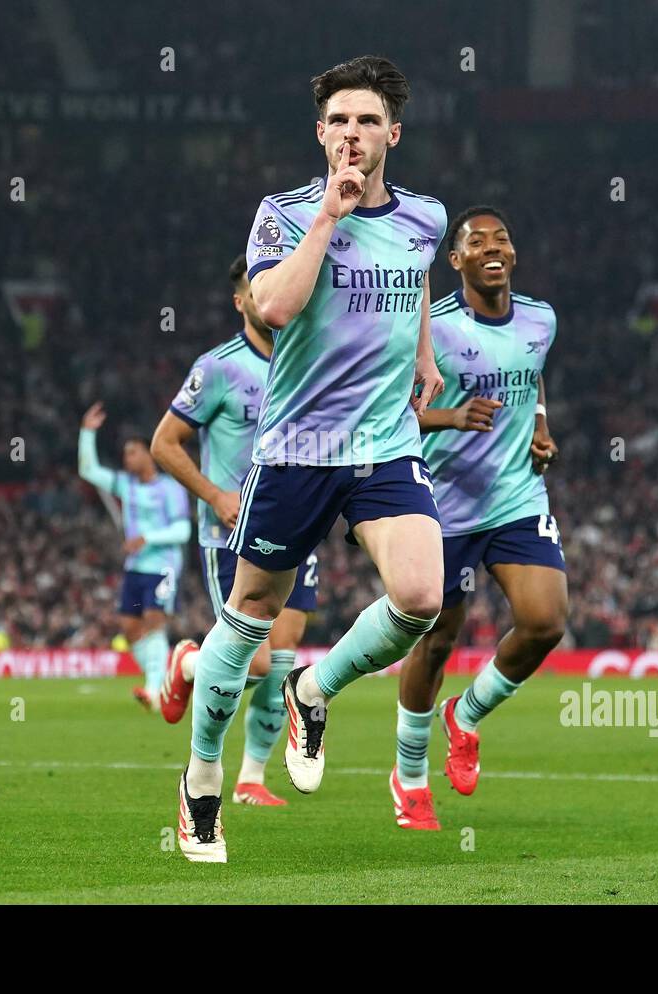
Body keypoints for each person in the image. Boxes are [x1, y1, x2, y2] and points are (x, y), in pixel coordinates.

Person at [173, 55, 448, 862]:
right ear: (320, 134)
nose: (353, 135)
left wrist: (425, 352)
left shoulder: (425, 215)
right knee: (250, 617)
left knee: (422, 595)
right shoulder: (283, 214)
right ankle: (198, 783)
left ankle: (313, 687)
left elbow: (416, 280)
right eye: (339, 122)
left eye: (368, 121)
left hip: (383, 444)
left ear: (392, 132)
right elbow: (275, 306)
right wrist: (330, 218)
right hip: (297, 448)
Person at [393, 206, 567, 829]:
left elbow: (533, 380)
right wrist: (451, 417)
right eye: (476, 241)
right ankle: (409, 777)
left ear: (513, 253)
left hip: (517, 498)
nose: (493, 246)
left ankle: (465, 716)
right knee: (436, 639)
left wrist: (541, 428)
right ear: (456, 260)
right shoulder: (430, 330)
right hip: (442, 506)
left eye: (503, 237)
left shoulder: (541, 319)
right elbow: (382, 411)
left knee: (545, 621)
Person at [150, 254, 320, 807]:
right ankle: (188, 664)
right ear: (242, 301)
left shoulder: (310, 363)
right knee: (260, 660)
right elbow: (164, 443)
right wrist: (217, 495)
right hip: (233, 534)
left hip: (300, 524)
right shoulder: (219, 367)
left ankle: (251, 777)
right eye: (257, 288)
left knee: (287, 653)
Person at [77, 404, 190, 709]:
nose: (127, 458)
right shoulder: (125, 485)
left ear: (149, 453)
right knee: (130, 630)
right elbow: (88, 470)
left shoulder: (170, 487)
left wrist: (147, 538)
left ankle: (154, 690)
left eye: (133, 452)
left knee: (154, 621)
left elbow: (183, 531)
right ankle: (162, 680)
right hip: (136, 567)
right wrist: (87, 432)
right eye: (125, 454)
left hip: (163, 566)